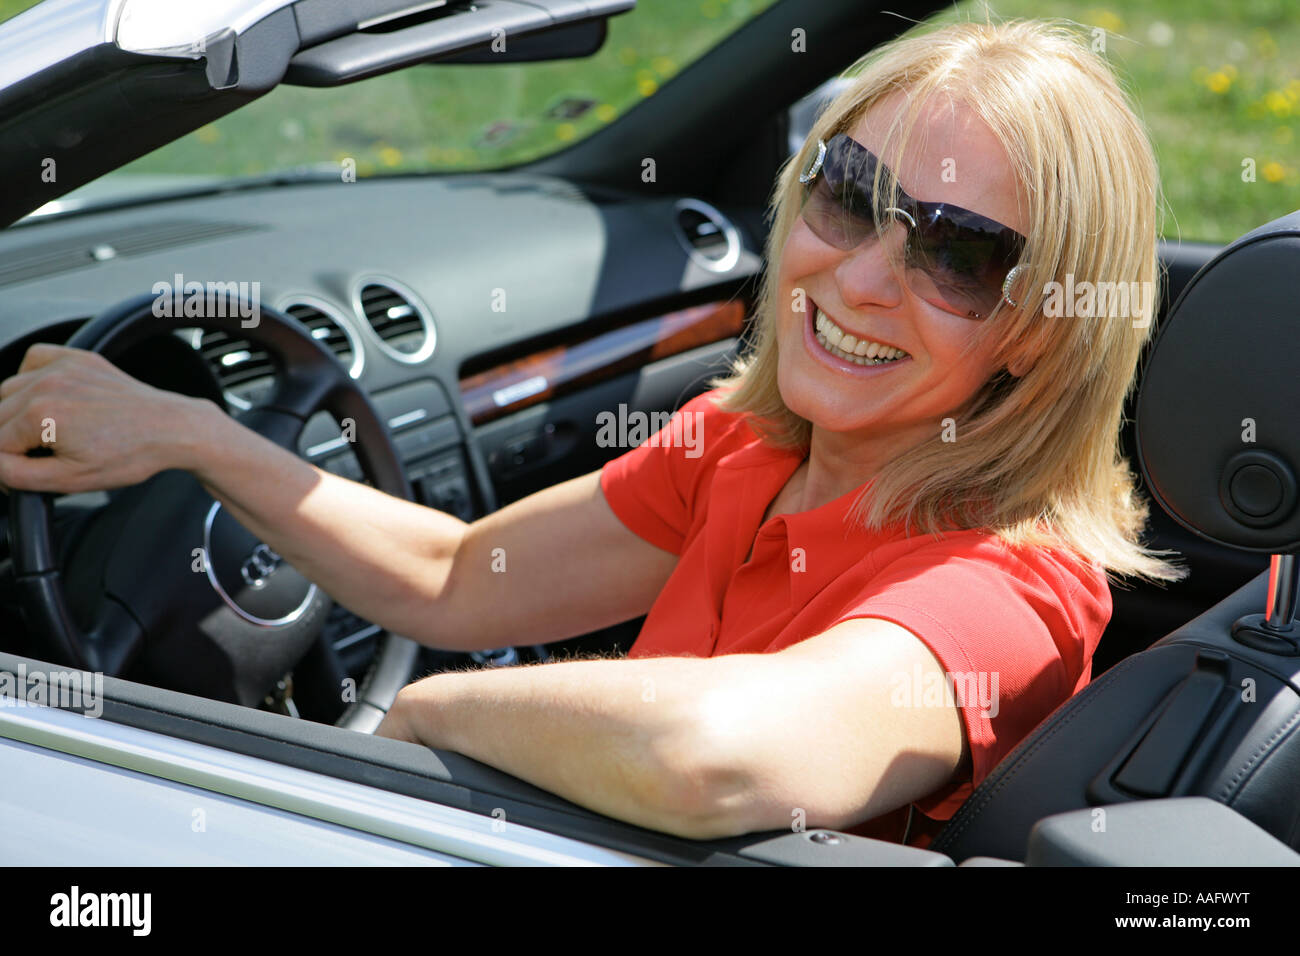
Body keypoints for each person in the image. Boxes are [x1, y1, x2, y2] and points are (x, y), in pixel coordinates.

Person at [0, 17, 1184, 848]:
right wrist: (192, 433)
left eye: (958, 254)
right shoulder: (746, 445)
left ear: (1040, 332)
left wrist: (416, 718)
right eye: (849, 193)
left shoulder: (1009, 585)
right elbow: (461, 575)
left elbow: (716, 754)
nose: (863, 275)